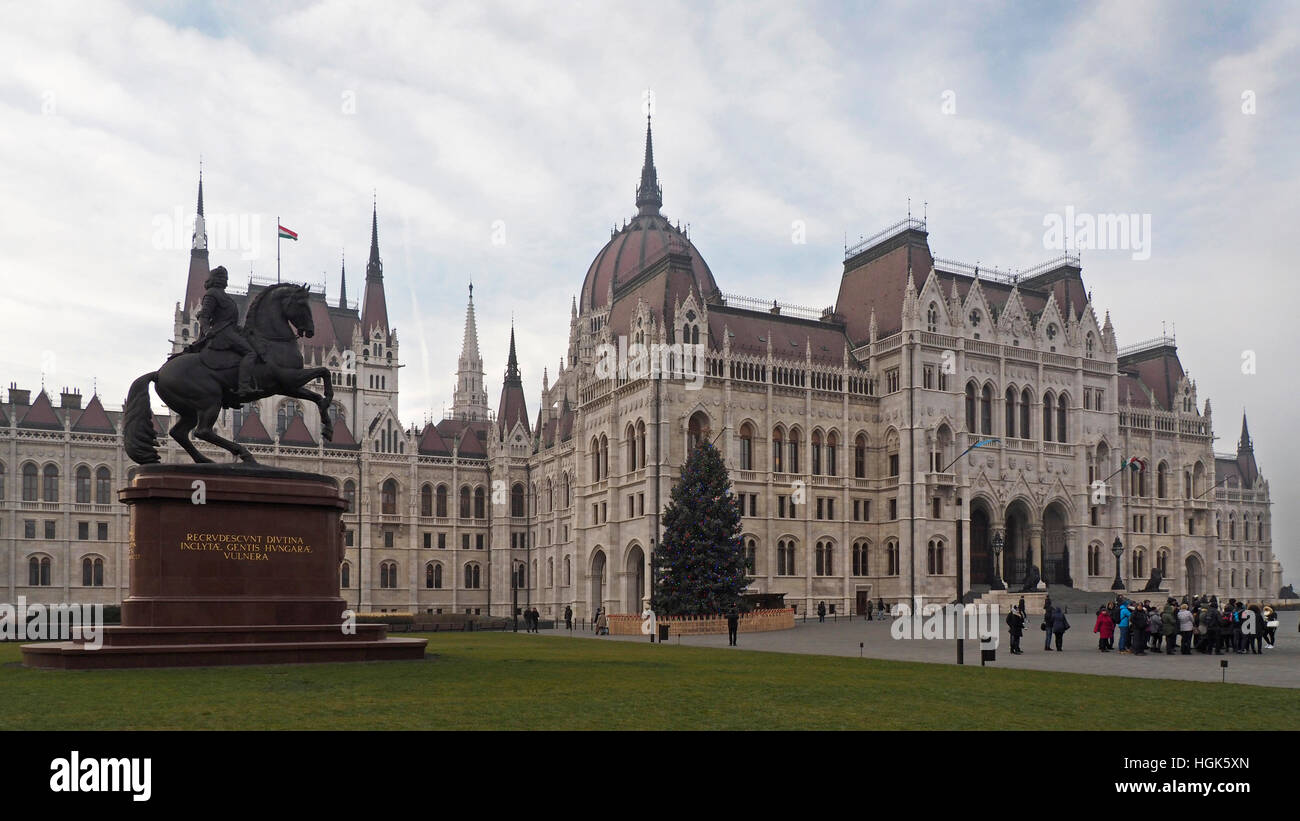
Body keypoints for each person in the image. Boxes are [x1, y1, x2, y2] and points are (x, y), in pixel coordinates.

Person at [182, 265, 261, 396]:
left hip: (231, 331)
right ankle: (243, 387)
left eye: (226, 277)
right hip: (222, 333)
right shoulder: (212, 294)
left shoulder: (224, 295)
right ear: (216, 279)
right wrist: (207, 331)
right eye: (222, 277)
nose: (225, 280)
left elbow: (230, 319)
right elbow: (204, 315)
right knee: (251, 353)